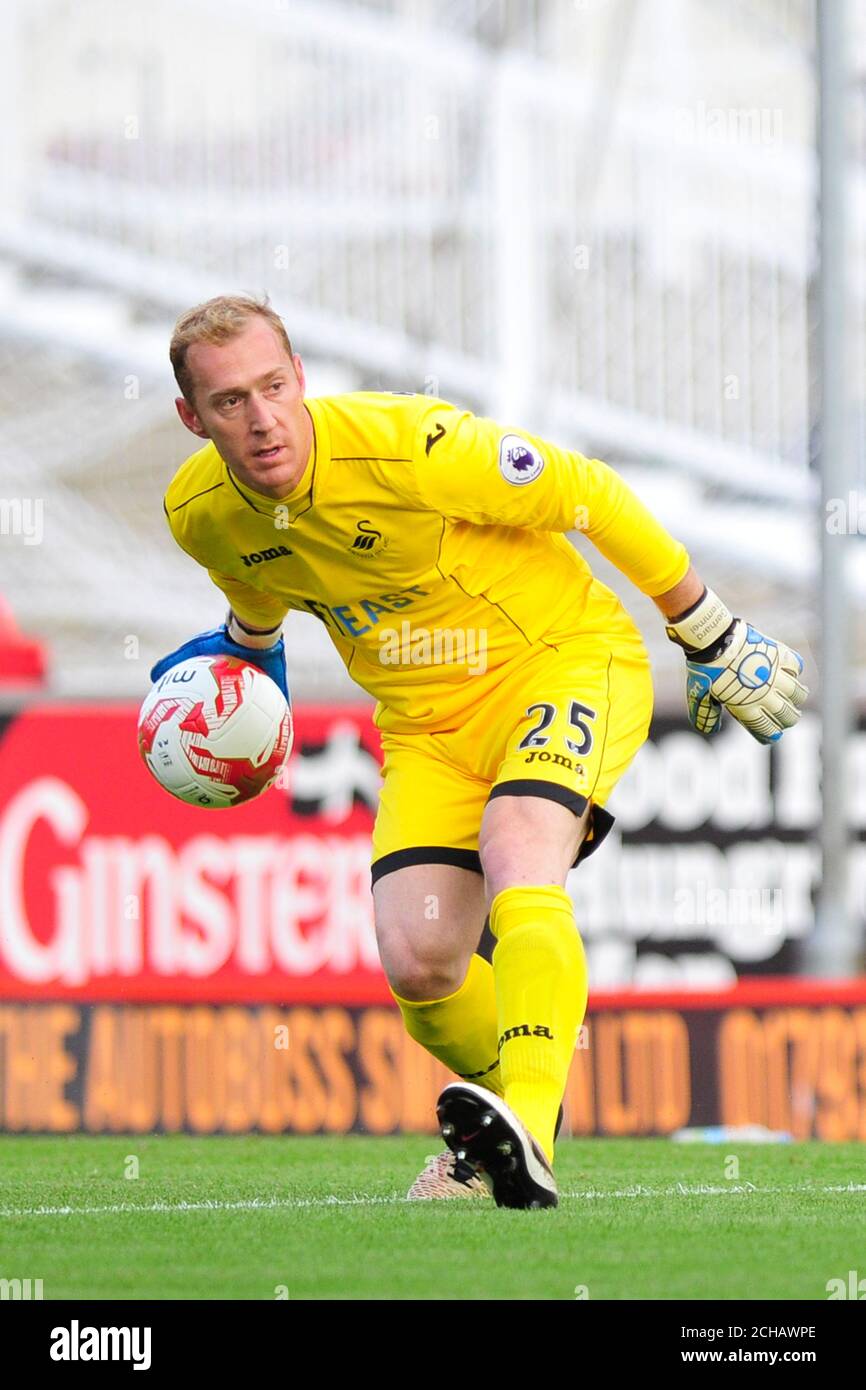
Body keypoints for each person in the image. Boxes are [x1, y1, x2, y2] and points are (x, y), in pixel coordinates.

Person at [153, 294, 808, 1209]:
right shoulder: (201, 515)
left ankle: (528, 1133)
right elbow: (263, 582)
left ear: (301, 377)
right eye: (230, 403)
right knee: (420, 960)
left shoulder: (412, 448)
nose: (261, 420)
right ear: (193, 418)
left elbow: (590, 491)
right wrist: (246, 660)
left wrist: (707, 629)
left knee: (519, 848)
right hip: (428, 729)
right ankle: (521, 1098)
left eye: (273, 387)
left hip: (562, 660)